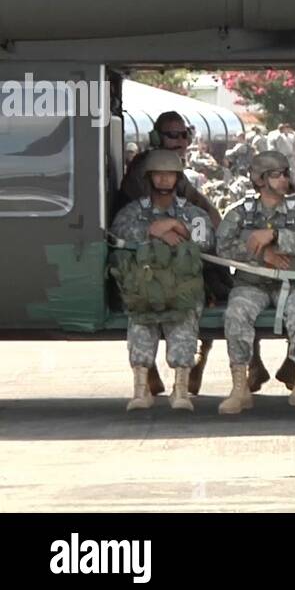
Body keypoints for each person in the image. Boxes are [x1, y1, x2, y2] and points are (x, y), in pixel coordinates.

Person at [115, 112, 224, 397]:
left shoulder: (176, 174)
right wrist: (161, 227)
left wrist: (188, 227)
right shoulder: (147, 169)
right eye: (171, 135)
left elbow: (205, 215)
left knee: (211, 287)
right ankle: (146, 373)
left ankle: (188, 370)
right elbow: (134, 220)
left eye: (183, 134)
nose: (179, 140)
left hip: (180, 267)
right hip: (147, 265)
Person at [216, 152, 295, 416]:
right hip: (252, 284)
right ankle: (240, 387)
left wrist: (275, 235)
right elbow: (222, 246)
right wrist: (261, 253)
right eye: (277, 174)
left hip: (292, 283)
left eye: (286, 173)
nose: (284, 179)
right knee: (236, 313)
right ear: (260, 179)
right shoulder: (240, 212)